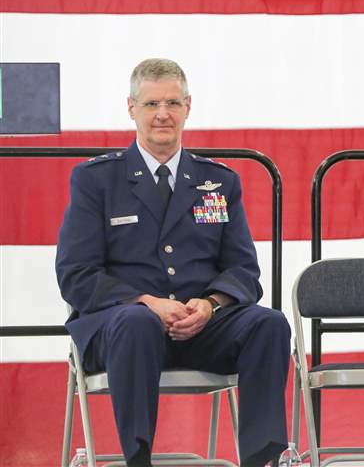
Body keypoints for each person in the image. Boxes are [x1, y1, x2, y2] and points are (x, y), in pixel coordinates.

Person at [55, 58, 290, 467]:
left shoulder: (219, 181)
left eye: (172, 103)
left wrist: (210, 305)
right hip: (123, 329)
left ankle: (262, 459)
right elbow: (76, 274)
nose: (162, 114)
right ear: (131, 108)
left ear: (188, 107)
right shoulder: (96, 180)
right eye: (151, 104)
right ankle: (138, 459)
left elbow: (243, 271)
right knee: (138, 322)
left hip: (201, 327)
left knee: (270, 323)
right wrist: (147, 302)